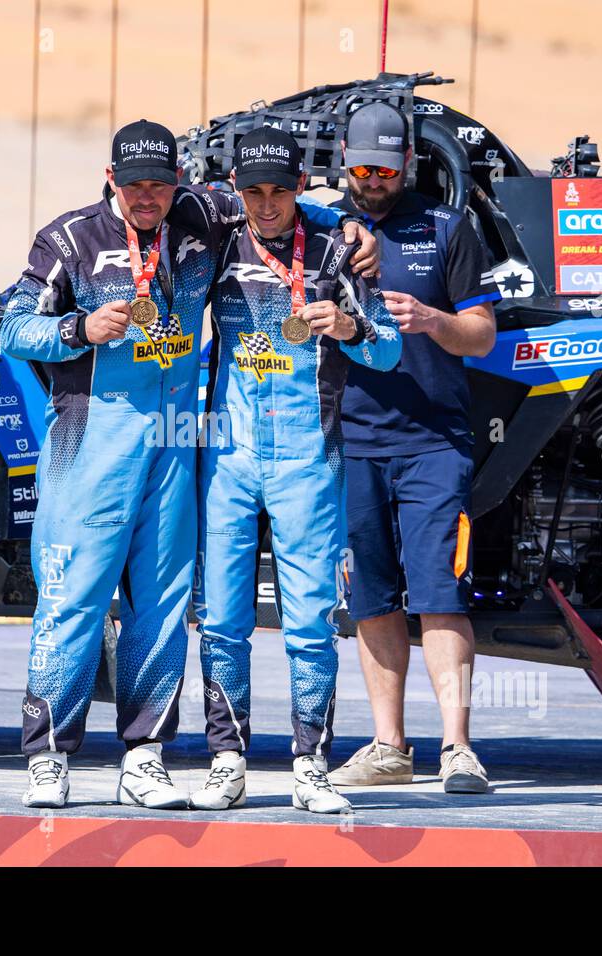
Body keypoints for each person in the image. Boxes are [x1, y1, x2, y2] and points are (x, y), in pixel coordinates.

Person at [0, 119, 377, 810]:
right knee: (74, 600)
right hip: (91, 446)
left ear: (179, 182)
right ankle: (48, 755)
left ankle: (144, 756)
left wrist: (352, 227)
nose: (148, 197)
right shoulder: (69, 238)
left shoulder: (203, 214)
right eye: (134, 183)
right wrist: (76, 329)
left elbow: (283, 209)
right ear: (110, 178)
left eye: (160, 183)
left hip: (176, 445)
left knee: (165, 607)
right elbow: (12, 325)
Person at [188, 127, 400, 813]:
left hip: (309, 459)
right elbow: (155, 203)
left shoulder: (338, 248)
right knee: (222, 617)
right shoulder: (219, 233)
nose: (268, 204)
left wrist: (347, 327)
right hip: (229, 454)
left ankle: (311, 764)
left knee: (311, 620)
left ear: (301, 185)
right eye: (254, 191)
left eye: (280, 190)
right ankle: (227, 759)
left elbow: (390, 352)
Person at [324, 102, 501, 794]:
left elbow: (482, 334)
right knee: (369, 596)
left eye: (386, 170)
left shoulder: (445, 228)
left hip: (433, 441)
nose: (372, 181)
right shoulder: (320, 227)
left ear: (408, 165)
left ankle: (457, 746)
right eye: (362, 168)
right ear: (343, 157)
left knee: (439, 591)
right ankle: (389, 745)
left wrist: (432, 321)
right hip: (350, 441)